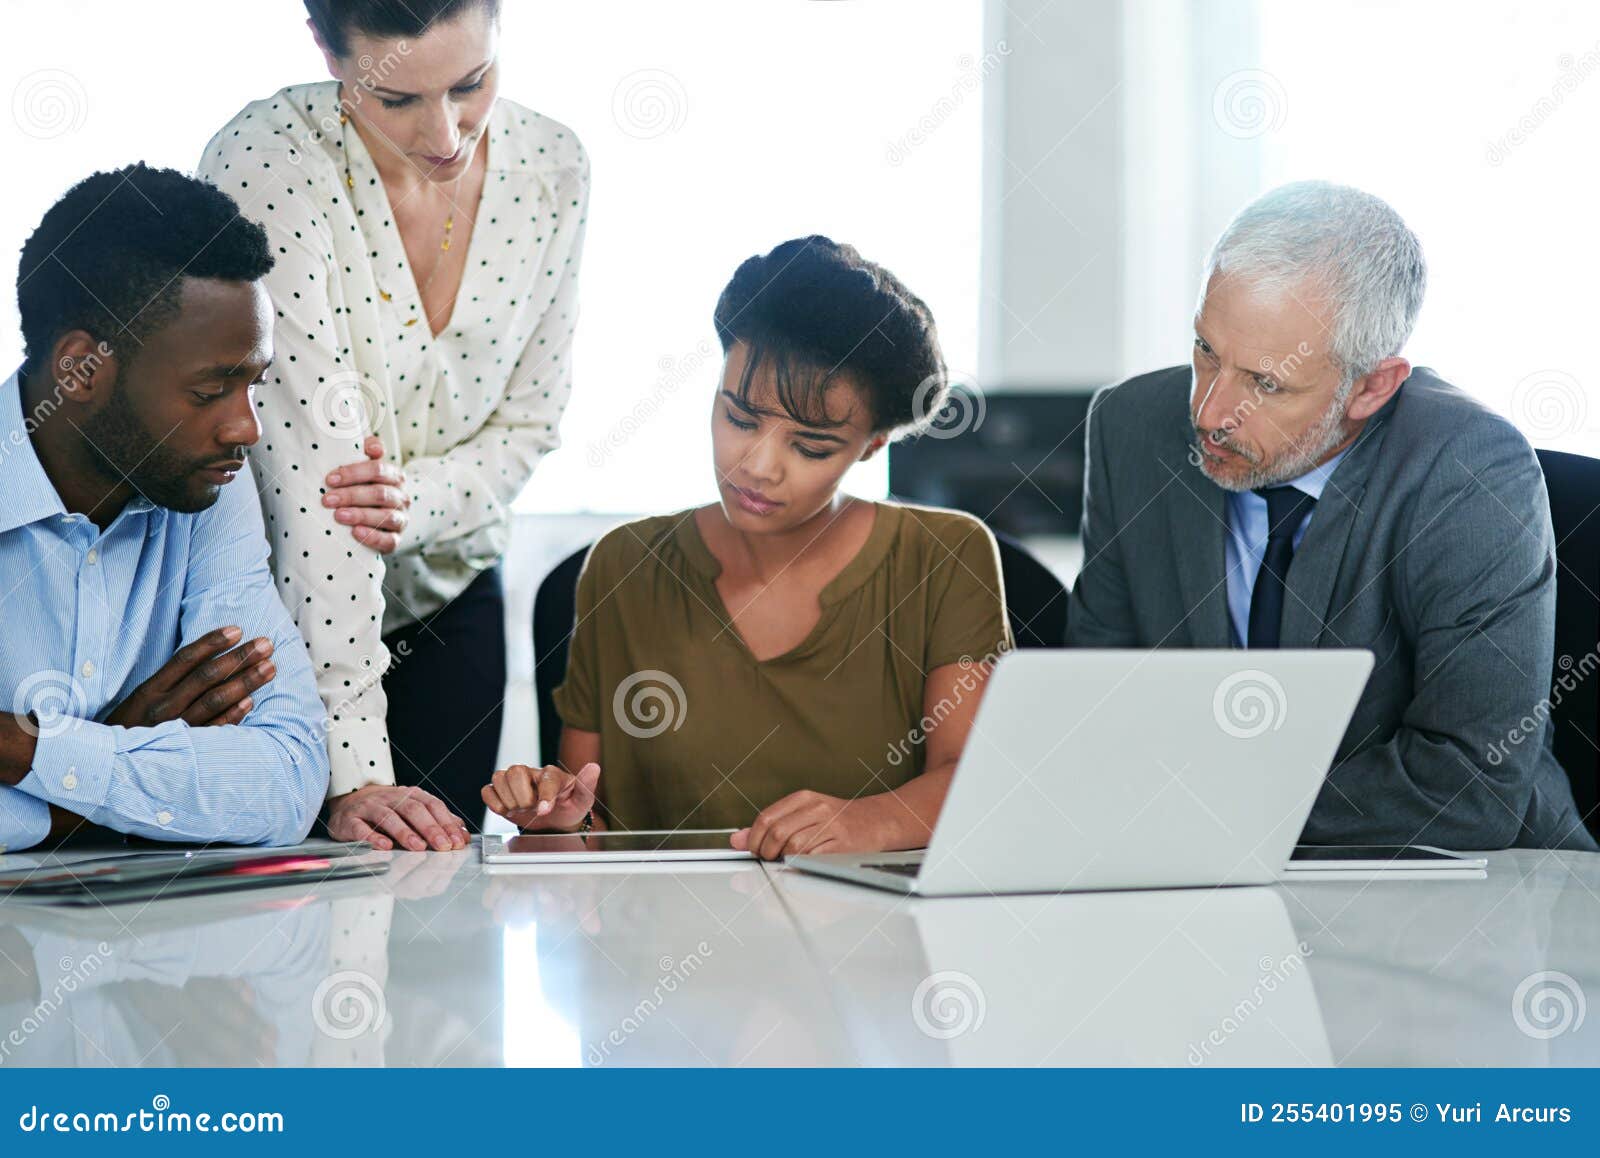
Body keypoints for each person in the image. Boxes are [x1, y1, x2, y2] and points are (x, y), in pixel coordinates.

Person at [1065, 180, 1596, 852]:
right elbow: (1096, 710)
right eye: (1205, 351)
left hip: (1470, 893)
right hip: (1192, 882)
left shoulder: (1470, 470)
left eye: (1265, 383)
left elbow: (1471, 789)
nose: (1208, 413)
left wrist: (1204, 813)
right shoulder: (1129, 427)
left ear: (1373, 386)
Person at [196, 0, 590, 851]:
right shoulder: (272, 162)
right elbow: (316, 495)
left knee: (440, 923)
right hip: (286, 627)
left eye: (471, 83)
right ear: (325, 52)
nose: (446, 135)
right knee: (299, 940)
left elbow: (531, 418)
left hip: (451, 595)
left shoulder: (555, 166)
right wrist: (356, 774)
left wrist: (415, 499)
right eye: (398, 100)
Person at [481, 236, 1012, 860]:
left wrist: (871, 822)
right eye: (739, 418)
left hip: (875, 945)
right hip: (656, 945)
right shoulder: (625, 566)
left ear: (872, 444)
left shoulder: (943, 558)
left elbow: (976, 783)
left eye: (811, 447)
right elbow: (590, 833)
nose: (758, 467)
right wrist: (556, 818)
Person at [0, 164, 330, 854]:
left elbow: (287, 783)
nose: (247, 429)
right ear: (81, 371)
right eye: (211, 391)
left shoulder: (206, 481)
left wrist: (31, 753)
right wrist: (128, 765)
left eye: (253, 384)